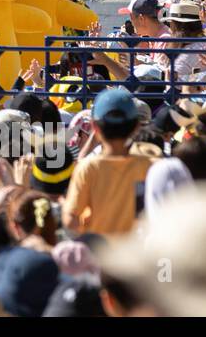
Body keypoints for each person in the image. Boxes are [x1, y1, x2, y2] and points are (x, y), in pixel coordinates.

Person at [62, 88, 152, 236]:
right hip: (136, 252)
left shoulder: (87, 167)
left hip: (98, 251)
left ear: (95, 128)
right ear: (136, 126)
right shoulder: (149, 165)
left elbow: (71, 220)